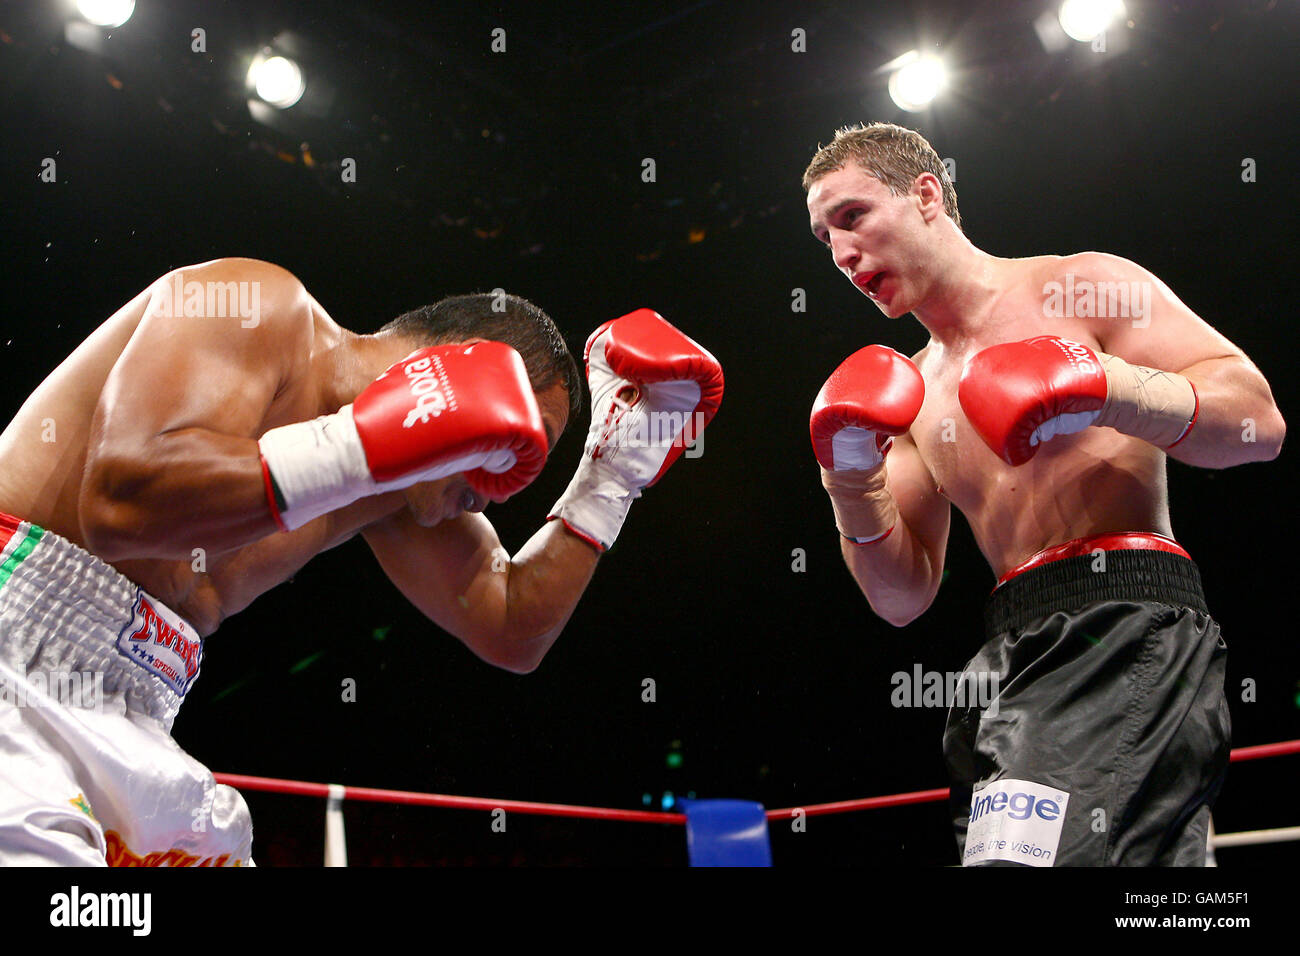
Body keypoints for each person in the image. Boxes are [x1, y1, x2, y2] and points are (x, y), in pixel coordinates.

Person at [0, 257, 723, 866]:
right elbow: (121, 504)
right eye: (506, 446)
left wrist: (610, 479)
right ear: (455, 380)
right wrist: (363, 446)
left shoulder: (389, 489)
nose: (494, 494)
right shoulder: (257, 306)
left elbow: (510, 627)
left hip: (138, 713)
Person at [803, 123, 1284, 866]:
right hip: (1009, 649)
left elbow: (1258, 423)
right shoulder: (909, 395)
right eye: (824, 237)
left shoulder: (1080, 286)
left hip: (1125, 621)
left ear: (926, 195)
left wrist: (1106, 386)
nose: (840, 253)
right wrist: (849, 480)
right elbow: (900, 598)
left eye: (852, 216)